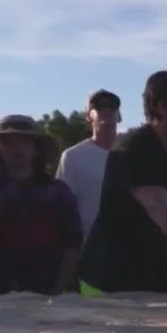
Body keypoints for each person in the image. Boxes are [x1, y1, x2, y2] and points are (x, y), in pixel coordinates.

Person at [77, 69, 167, 295]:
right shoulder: (134, 148)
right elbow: (157, 206)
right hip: (110, 282)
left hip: (159, 281)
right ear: (162, 107)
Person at [0, 115, 82, 297]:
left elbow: (73, 242)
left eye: (24, 143)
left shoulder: (57, 191)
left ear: (36, 149)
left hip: (48, 284)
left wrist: (60, 286)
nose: (17, 149)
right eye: (9, 143)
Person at [56, 89, 121, 238]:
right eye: (99, 107)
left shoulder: (132, 155)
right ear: (88, 116)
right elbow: (63, 208)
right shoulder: (72, 157)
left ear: (119, 116)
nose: (106, 111)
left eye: (112, 107)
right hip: (88, 249)